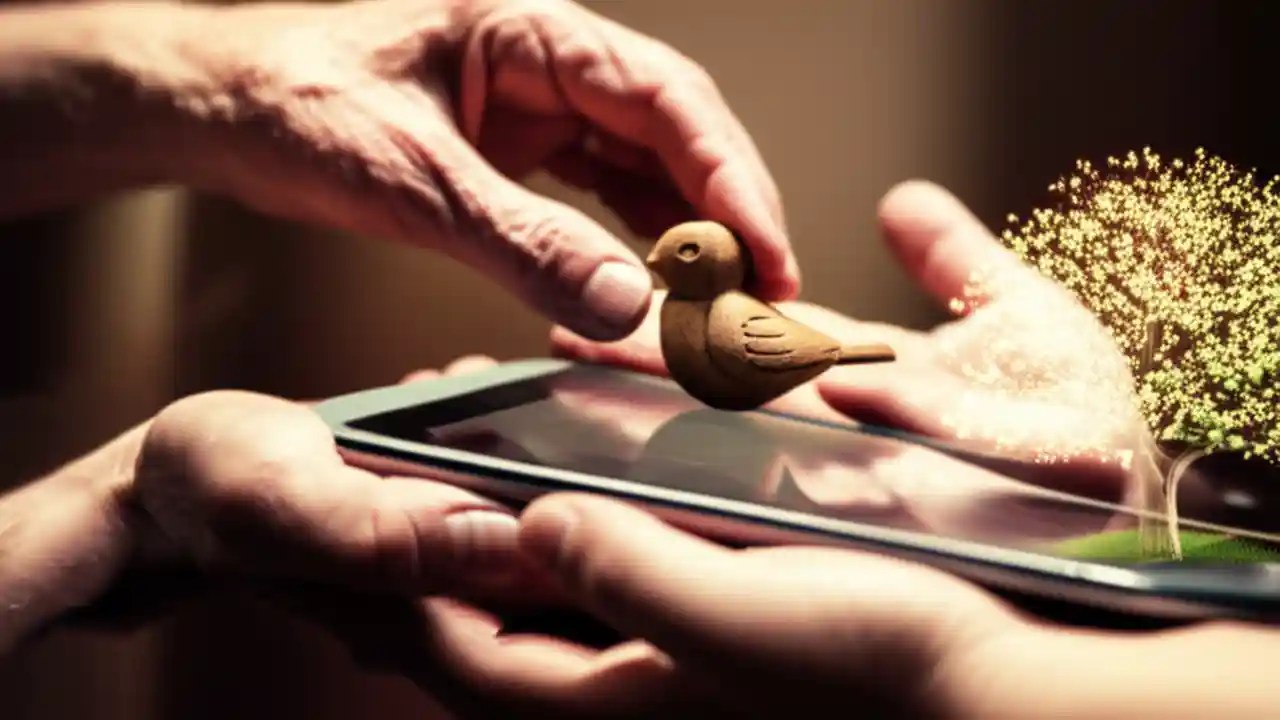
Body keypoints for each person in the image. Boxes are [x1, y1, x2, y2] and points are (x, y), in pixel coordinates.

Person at [1, 1, 1278, 718]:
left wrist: (965, 666)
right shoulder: (702, 329)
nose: (656, 279)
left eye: (674, 272)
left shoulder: (731, 335)